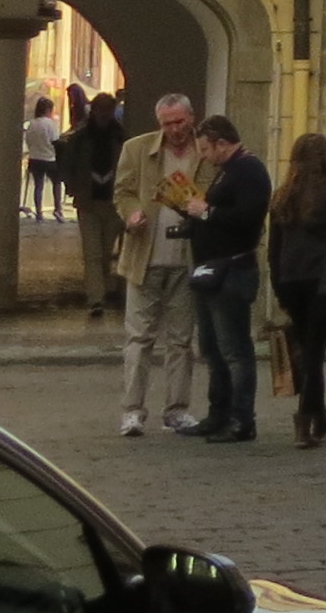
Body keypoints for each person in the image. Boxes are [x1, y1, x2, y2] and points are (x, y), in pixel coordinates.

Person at [110, 93, 208, 437]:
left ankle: (177, 409)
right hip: (144, 257)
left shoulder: (205, 152)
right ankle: (133, 411)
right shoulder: (137, 149)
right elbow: (121, 192)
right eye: (168, 123)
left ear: (192, 118)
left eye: (180, 122)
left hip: (187, 260)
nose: (175, 129)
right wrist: (131, 213)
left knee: (181, 340)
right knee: (139, 338)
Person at [165, 115, 267, 444]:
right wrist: (190, 213)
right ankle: (217, 413)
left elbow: (248, 218)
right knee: (212, 348)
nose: (204, 156)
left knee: (234, 349)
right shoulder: (227, 171)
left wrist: (205, 212)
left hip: (232, 270)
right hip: (211, 270)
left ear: (222, 143)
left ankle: (241, 419)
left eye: (207, 149)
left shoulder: (249, 170)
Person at [264, 134, 326, 451]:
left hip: (291, 280)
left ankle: (318, 416)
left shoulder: (282, 196)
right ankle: (304, 421)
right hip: (322, 280)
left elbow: (274, 249)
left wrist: (279, 289)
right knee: (314, 353)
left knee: (310, 348)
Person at [67, 95, 125, 318]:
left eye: (107, 109)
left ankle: (101, 289)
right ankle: (96, 298)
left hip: (112, 202)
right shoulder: (81, 138)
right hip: (88, 202)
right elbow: (68, 164)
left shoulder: (120, 138)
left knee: (105, 251)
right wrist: (74, 187)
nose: (103, 113)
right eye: (100, 109)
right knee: (92, 252)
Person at [24, 97, 64, 220]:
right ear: (48, 110)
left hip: (35, 158)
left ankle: (39, 211)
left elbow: (28, 141)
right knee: (56, 183)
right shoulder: (51, 124)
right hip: (50, 158)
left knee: (38, 186)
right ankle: (57, 209)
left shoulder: (32, 124)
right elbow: (55, 141)